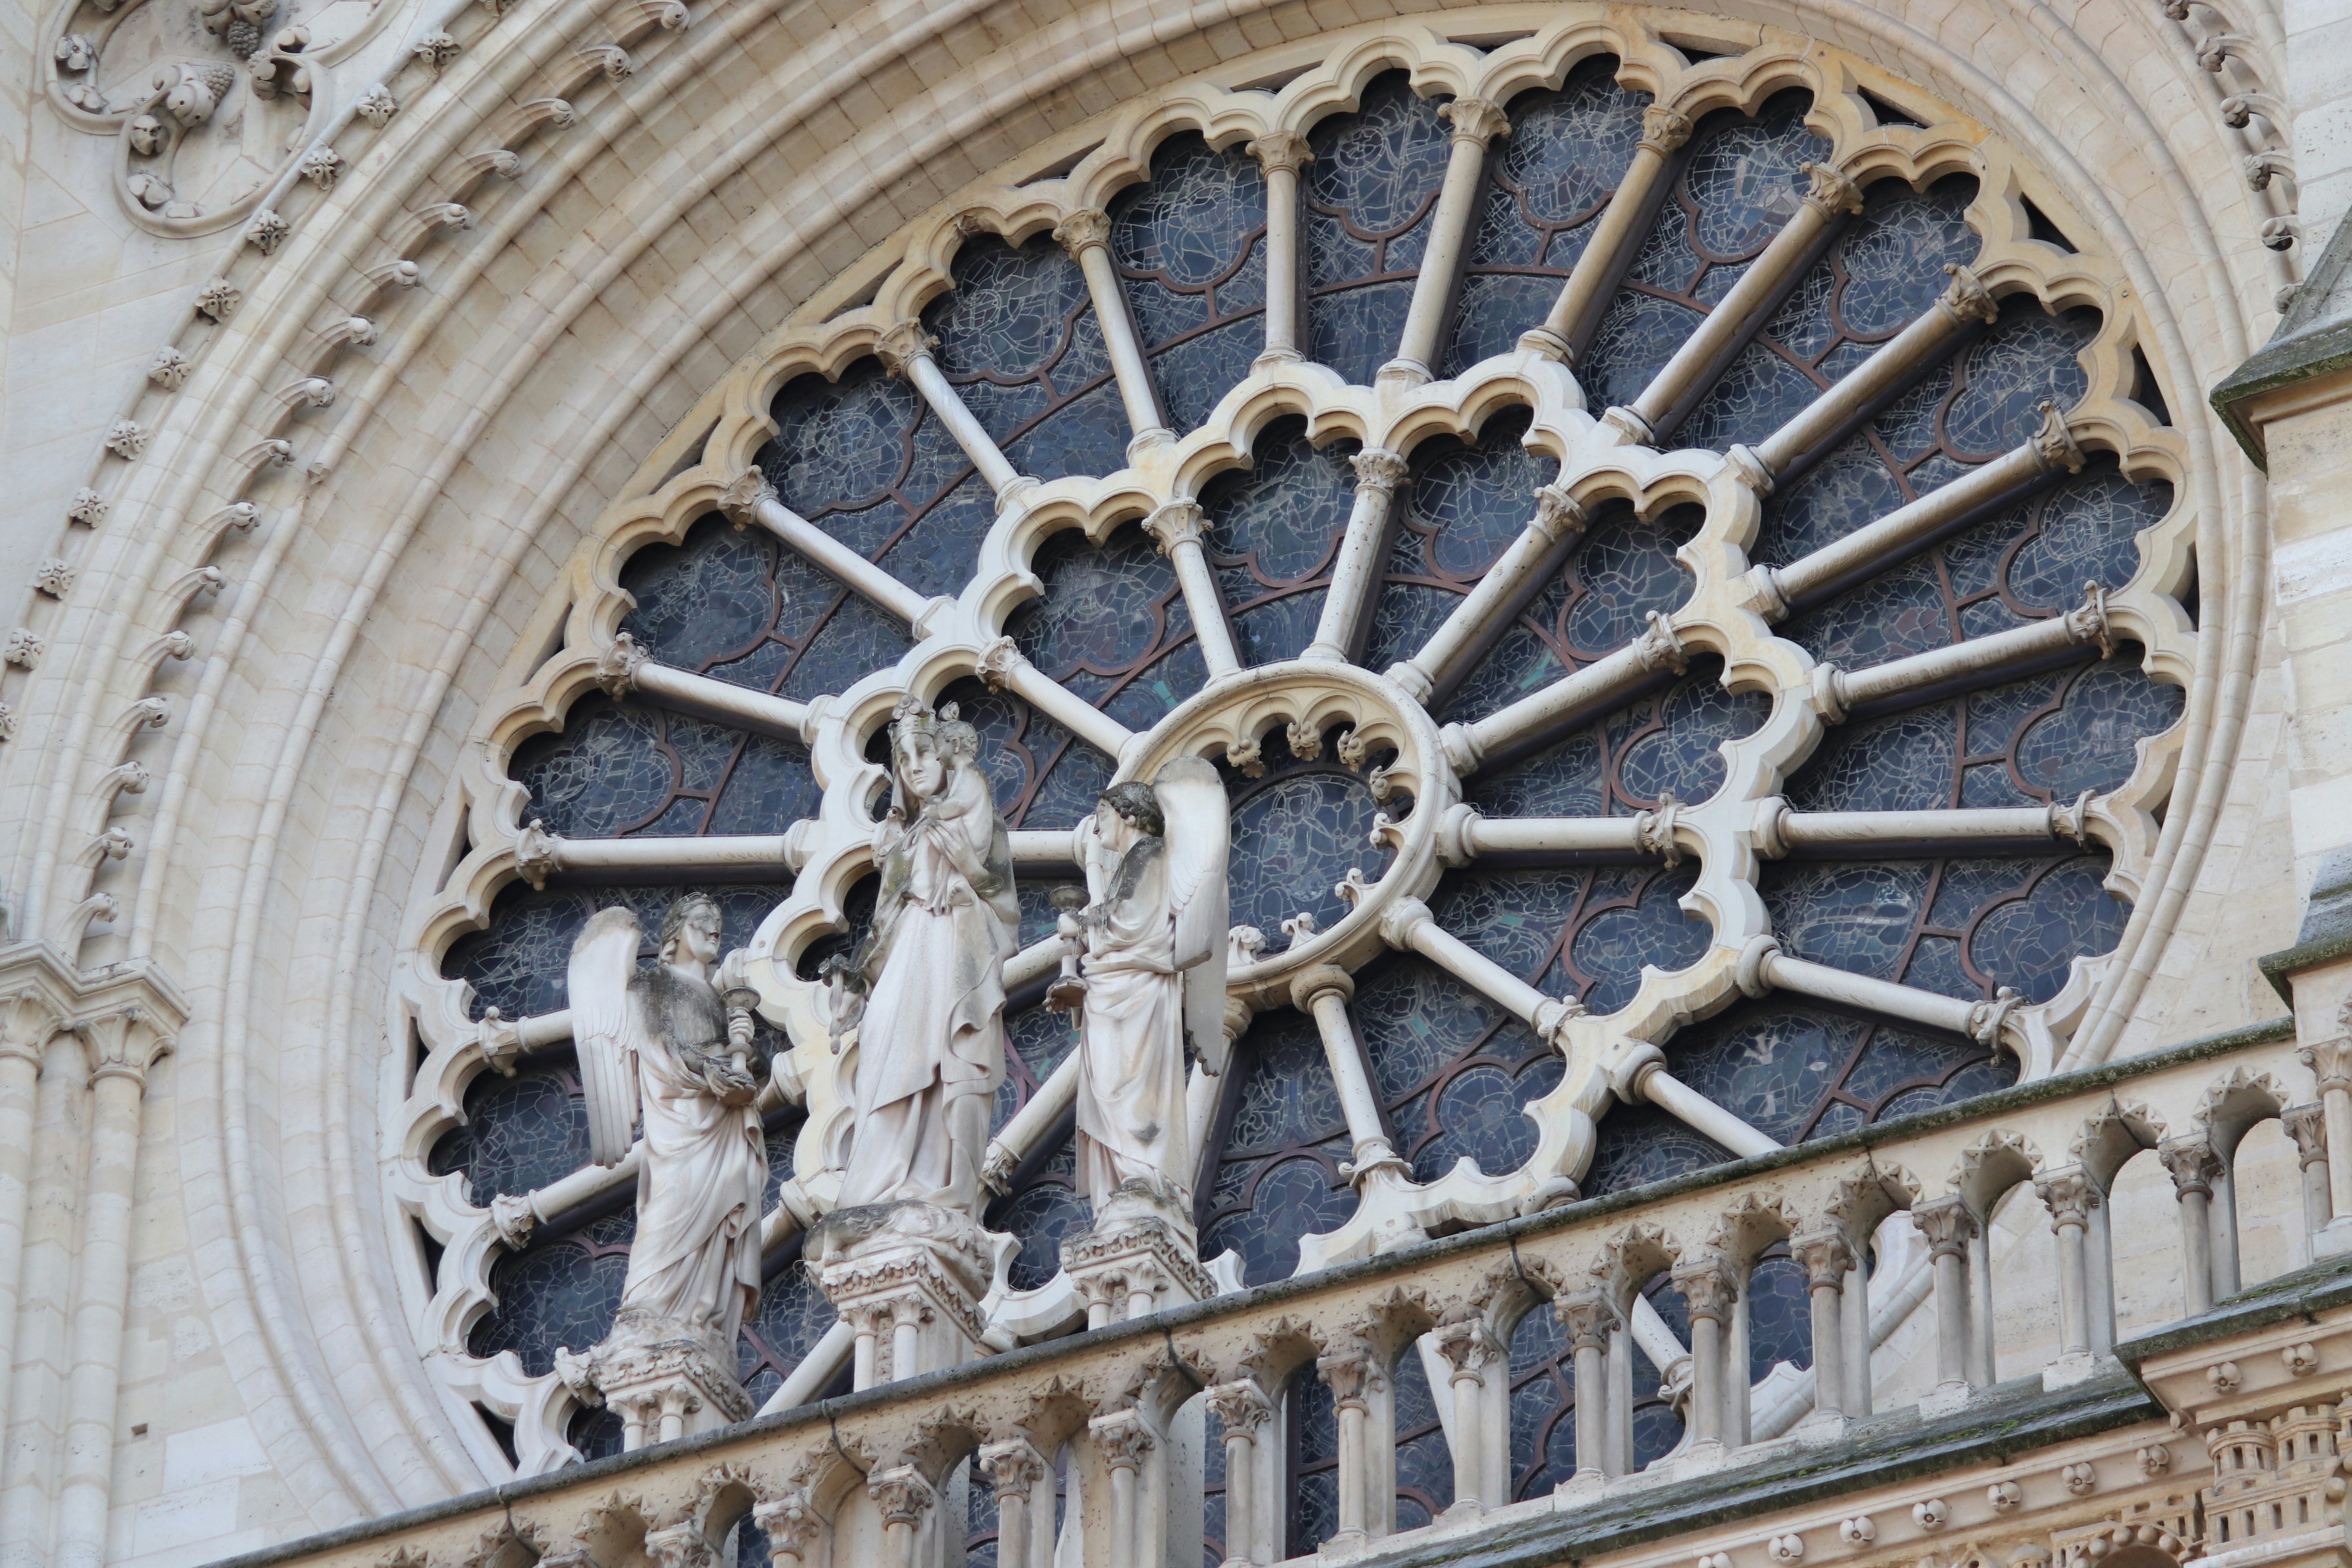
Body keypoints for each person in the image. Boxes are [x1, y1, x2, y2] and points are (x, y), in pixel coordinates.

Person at [834, 698, 1017, 1218]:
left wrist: (964, 869)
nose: (914, 767)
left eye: (923, 752)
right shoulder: (903, 845)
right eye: (904, 758)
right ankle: (876, 1184)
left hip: (952, 941)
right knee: (882, 1051)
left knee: (945, 1051)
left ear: (946, 756)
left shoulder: (975, 814)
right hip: (905, 953)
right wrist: (854, 983)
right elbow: (882, 926)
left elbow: (1001, 899)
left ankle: (932, 1178)